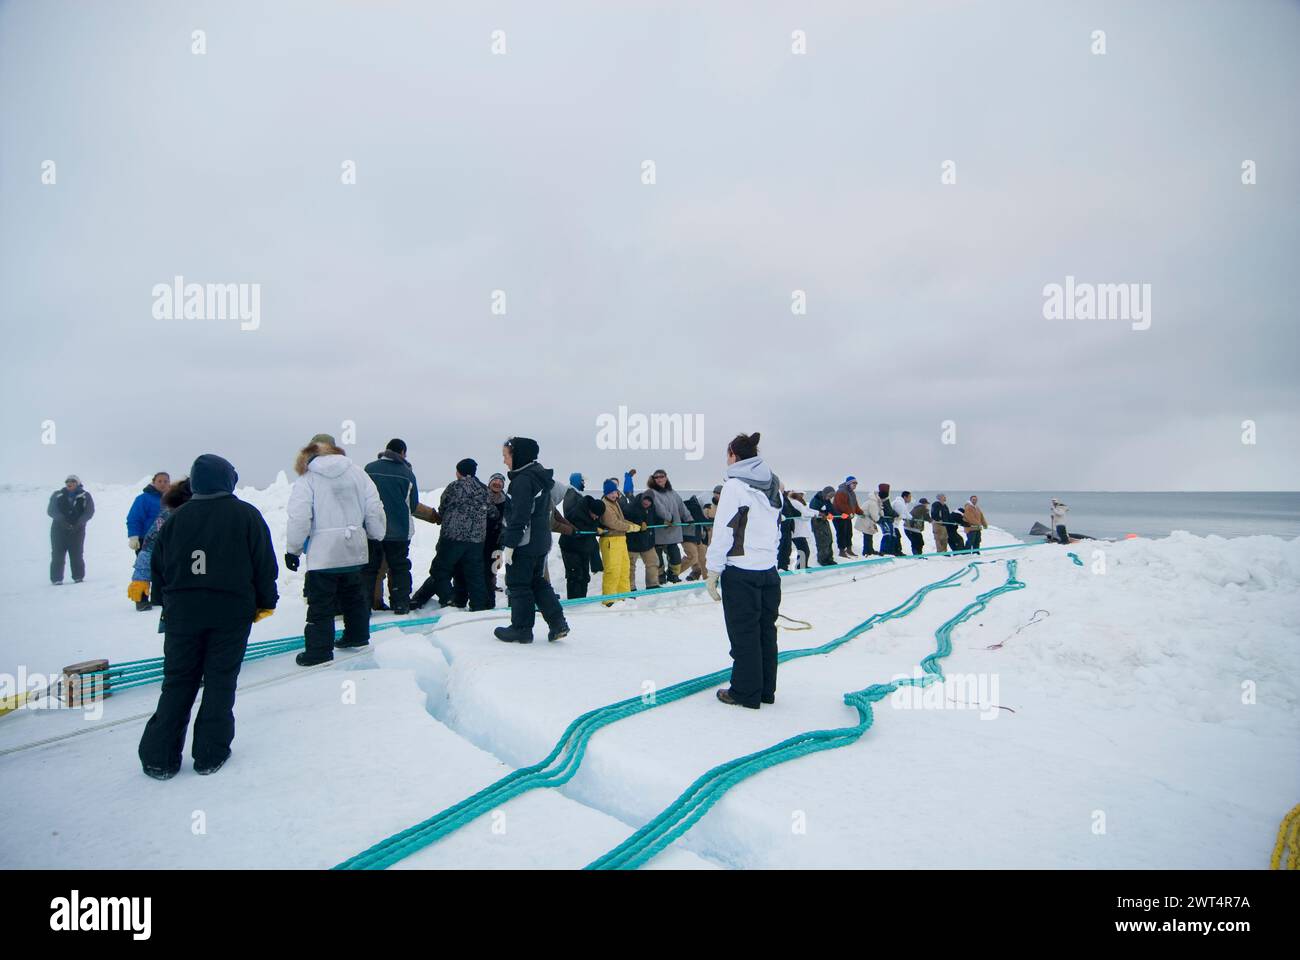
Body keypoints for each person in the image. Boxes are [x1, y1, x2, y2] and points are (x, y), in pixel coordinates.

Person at [137, 454, 277, 779]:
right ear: (228, 480)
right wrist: (265, 601)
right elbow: (263, 564)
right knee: (220, 680)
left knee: (178, 681)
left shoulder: (176, 518)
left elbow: (160, 566)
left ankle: (159, 757)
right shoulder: (246, 515)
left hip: (182, 616)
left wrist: (164, 602)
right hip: (230, 614)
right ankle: (210, 754)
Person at [285, 438, 386, 665]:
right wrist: (376, 535)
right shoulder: (358, 473)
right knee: (354, 596)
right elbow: (374, 507)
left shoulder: (308, 477)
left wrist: (293, 549)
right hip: (354, 548)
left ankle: (319, 650)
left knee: (321, 603)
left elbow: (300, 517)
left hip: (324, 553)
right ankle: (357, 636)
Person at [705, 432, 783, 709]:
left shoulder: (735, 486)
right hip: (768, 571)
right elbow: (776, 528)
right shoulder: (773, 484)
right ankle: (765, 690)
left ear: (734, 456)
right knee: (765, 632)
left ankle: (744, 691)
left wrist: (712, 570)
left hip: (741, 571)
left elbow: (725, 530)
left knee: (744, 634)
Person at [494, 437, 570, 644]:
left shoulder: (523, 481)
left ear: (517, 456)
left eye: (506, 455)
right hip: (540, 539)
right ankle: (557, 623)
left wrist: (510, 545)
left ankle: (521, 629)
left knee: (519, 584)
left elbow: (519, 516)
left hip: (525, 542)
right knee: (537, 582)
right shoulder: (538, 475)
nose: (504, 461)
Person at [414, 459, 490, 611]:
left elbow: (443, 508)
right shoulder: (483, 489)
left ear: (459, 472)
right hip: (476, 540)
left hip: (453, 537)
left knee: (440, 570)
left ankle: (448, 598)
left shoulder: (454, 487)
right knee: (475, 575)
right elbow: (491, 510)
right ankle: (479, 605)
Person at [362, 439, 419, 614]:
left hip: (372, 529)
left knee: (370, 568)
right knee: (399, 567)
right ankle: (400, 603)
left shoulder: (369, 469)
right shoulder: (407, 474)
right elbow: (413, 504)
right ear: (402, 452)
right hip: (399, 531)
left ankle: (365, 605)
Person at [128, 478, 193, 611]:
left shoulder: (228, 511)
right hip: (180, 581)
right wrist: (141, 577)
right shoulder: (171, 513)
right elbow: (151, 545)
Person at [596, 480, 644, 602]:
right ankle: (609, 600)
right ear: (606, 493)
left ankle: (623, 596)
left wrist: (635, 525)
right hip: (611, 541)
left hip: (621, 540)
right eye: (610, 492)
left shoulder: (615, 503)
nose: (614, 495)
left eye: (615, 492)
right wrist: (630, 528)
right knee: (613, 571)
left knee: (624, 568)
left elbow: (621, 520)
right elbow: (613, 523)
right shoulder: (605, 505)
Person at [126, 472, 170, 593]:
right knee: (144, 568)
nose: (163, 484)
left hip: (167, 540)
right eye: (160, 481)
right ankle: (141, 597)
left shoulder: (172, 499)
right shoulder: (143, 499)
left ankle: (160, 596)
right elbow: (134, 518)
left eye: (166, 481)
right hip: (145, 541)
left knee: (164, 569)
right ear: (153, 482)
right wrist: (133, 536)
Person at [646, 469, 692, 582]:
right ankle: (660, 576)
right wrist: (669, 517)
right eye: (656, 477)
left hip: (673, 530)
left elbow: (681, 506)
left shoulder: (672, 492)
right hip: (659, 530)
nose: (659, 479)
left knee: (675, 556)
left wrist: (688, 518)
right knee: (658, 557)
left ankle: (673, 574)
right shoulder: (651, 492)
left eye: (662, 476)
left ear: (666, 477)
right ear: (653, 479)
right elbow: (658, 507)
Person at [48, 474, 94, 584]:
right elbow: (51, 510)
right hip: (58, 529)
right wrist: (62, 520)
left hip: (77, 530)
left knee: (76, 554)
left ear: (77, 483)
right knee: (57, 554)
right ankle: (56, 579)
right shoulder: (57, 495)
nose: (70, 483)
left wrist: (79, 523)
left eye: (73, 481)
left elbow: (89, 512)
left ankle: (78, 577)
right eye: (68, 481)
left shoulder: (85, 496)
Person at [625, 490, 662, 589]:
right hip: (632, 543)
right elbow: (624, 519)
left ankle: (652, 584)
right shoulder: (631, 507)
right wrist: (639, 523)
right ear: (642, 498)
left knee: (653, 562)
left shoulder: (651, 508)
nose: (647, 502)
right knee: (630, 566)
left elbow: (654, 518)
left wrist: (664, 521)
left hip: (647, 543)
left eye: (650, 501)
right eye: (645, 499)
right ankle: (630, 587)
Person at [778, 490, 813, 570]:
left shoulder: (794, 502)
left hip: (797, 530)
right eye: (800, 494)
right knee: (804, 550)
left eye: (802, 494)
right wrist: (813, 514)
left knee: (803, 549)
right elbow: (804, 514)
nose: (802, 496)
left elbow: (804, 513)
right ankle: (801, 567)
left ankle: (801, 566)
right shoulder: (795, 503)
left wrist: (815, 514)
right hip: (797, 530)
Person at [680, 494, 710, 580]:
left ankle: (706, 577)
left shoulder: (694, 505)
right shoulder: (694, 507)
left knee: (702, 557)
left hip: (697, 536)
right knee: (693, 557)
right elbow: (702, 519)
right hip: (688, 536)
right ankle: (672, 575)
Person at [831, 476, 863, 558]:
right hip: (840, 517)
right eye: (853, 483)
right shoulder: (841, 492)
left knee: (849, 533)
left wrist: (860, 512)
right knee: (842, 533)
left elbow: (854, 505)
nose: (855, 485)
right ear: (848, 483)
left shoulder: (852, 492)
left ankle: (849, 549)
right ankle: (841, 551)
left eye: (856, 484)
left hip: (847, 517)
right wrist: (849, 512)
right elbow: (842, 505)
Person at [808, 486, 838, 566]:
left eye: (832, 496)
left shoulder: (827, 500)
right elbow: (812, 511)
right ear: (825, 493)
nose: (830, 498)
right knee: (822, 541)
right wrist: (821, 514)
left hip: (824, 521)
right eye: (829, 496)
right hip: (817, 522)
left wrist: (839, 515)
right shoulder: (816, 500)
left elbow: (831, 510)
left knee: (829, 539)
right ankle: (822, 560)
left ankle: (829, 558)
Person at [876, 483, 900, 556]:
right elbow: (888, 510)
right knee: (887, 534)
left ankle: (890, 550)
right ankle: (883, 550)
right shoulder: (884, 498)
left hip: (888, 520)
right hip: (884, 519)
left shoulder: (881, 498)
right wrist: (895, 514)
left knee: (892, 534)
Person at [860, 483, 882, 556]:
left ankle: (869, 550)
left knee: (869, 535)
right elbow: (874, 515)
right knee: (867, 536)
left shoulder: (871, 501)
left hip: (865, 520)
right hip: (866, 521)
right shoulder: (873, 503)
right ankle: (866, 551)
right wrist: (878, 518)